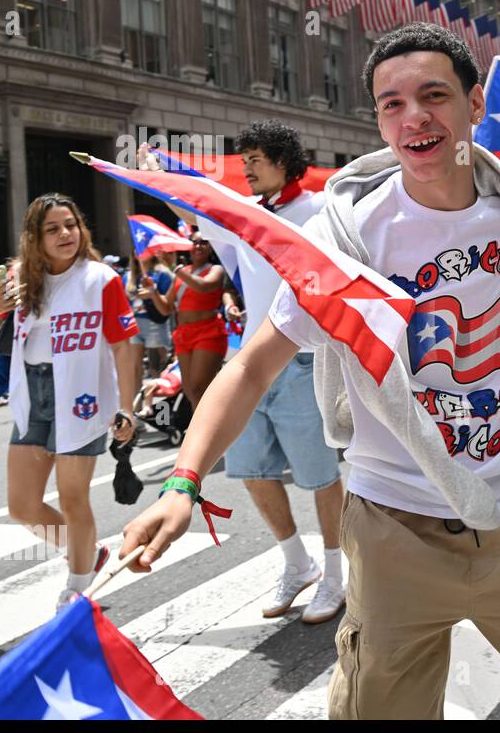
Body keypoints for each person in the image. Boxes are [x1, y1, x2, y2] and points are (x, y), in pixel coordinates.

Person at [119, 24, 500, 720]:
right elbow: (251, 365)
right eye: (391, 104)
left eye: (434, 95)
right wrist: (183, 482)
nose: (414, 118)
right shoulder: (346, 238)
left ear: (476, 102)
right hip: (392, 531)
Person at [137, 121, 346, 625]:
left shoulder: (322, 211)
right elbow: (199, 211)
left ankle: (337, 577)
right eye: (244, 160)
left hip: (303, 360)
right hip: (249, 362)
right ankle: (298, 563)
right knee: (251, 472)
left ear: (283, 160)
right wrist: (159, 179)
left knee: (321, 478)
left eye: (255, 159)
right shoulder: (248, 217)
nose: (247, 169)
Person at [0, 194, 137, 611]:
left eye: (71, 225)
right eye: (53, 228)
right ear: (34, 237)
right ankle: (88, 551)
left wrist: (128, 407)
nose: (66, 234)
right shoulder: (19, 278)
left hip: (82, 397)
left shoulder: (100, 278)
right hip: (33, 394)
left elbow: (124, 346)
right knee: (23, 506)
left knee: (72, 498)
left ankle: (78, 586)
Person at [140, 234, 225, 411]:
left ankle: (206, 434)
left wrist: (173, 267)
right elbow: (166, 307)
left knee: (199, 388)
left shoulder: (216, 269)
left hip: (208, 333)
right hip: (184, 335)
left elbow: (203, 286)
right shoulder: (182, 272)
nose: (199, 246)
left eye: (204, 242)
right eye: (194, 242)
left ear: (210, 248)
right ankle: (200, 431)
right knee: (190, 391)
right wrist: (153, 292)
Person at [127, 254, 174, 380]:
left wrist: (153, 294)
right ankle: (137, 399)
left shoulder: (163, 274)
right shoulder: (128, 276)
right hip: (133, 325)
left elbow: (169, 305)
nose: (140, 252)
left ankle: (159, 399)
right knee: (134, 369)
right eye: (137, 249)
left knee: (157, 368)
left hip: (155, 324)